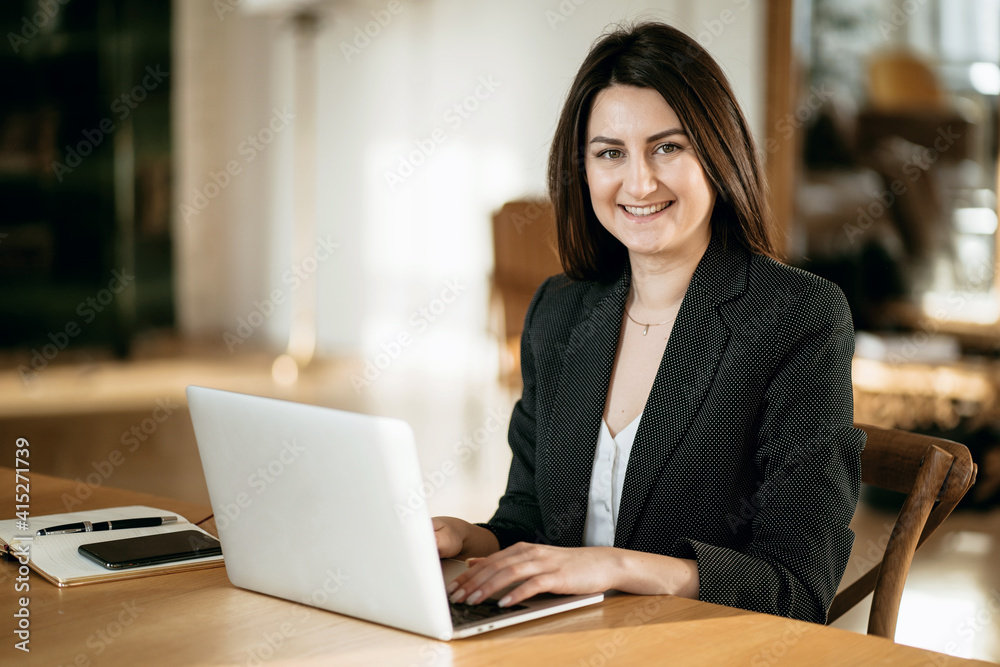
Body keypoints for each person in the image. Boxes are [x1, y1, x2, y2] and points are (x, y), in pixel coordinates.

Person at [433, 21, 865, 624]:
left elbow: (798, 585)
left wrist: (619, 565)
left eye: (668, 147)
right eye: (610, 153)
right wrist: (468, 540)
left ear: (717, 153)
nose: (639, 182)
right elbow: (529, 522)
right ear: (581, 170)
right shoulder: (559, 311)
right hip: (562, 642)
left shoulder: (797, 317)